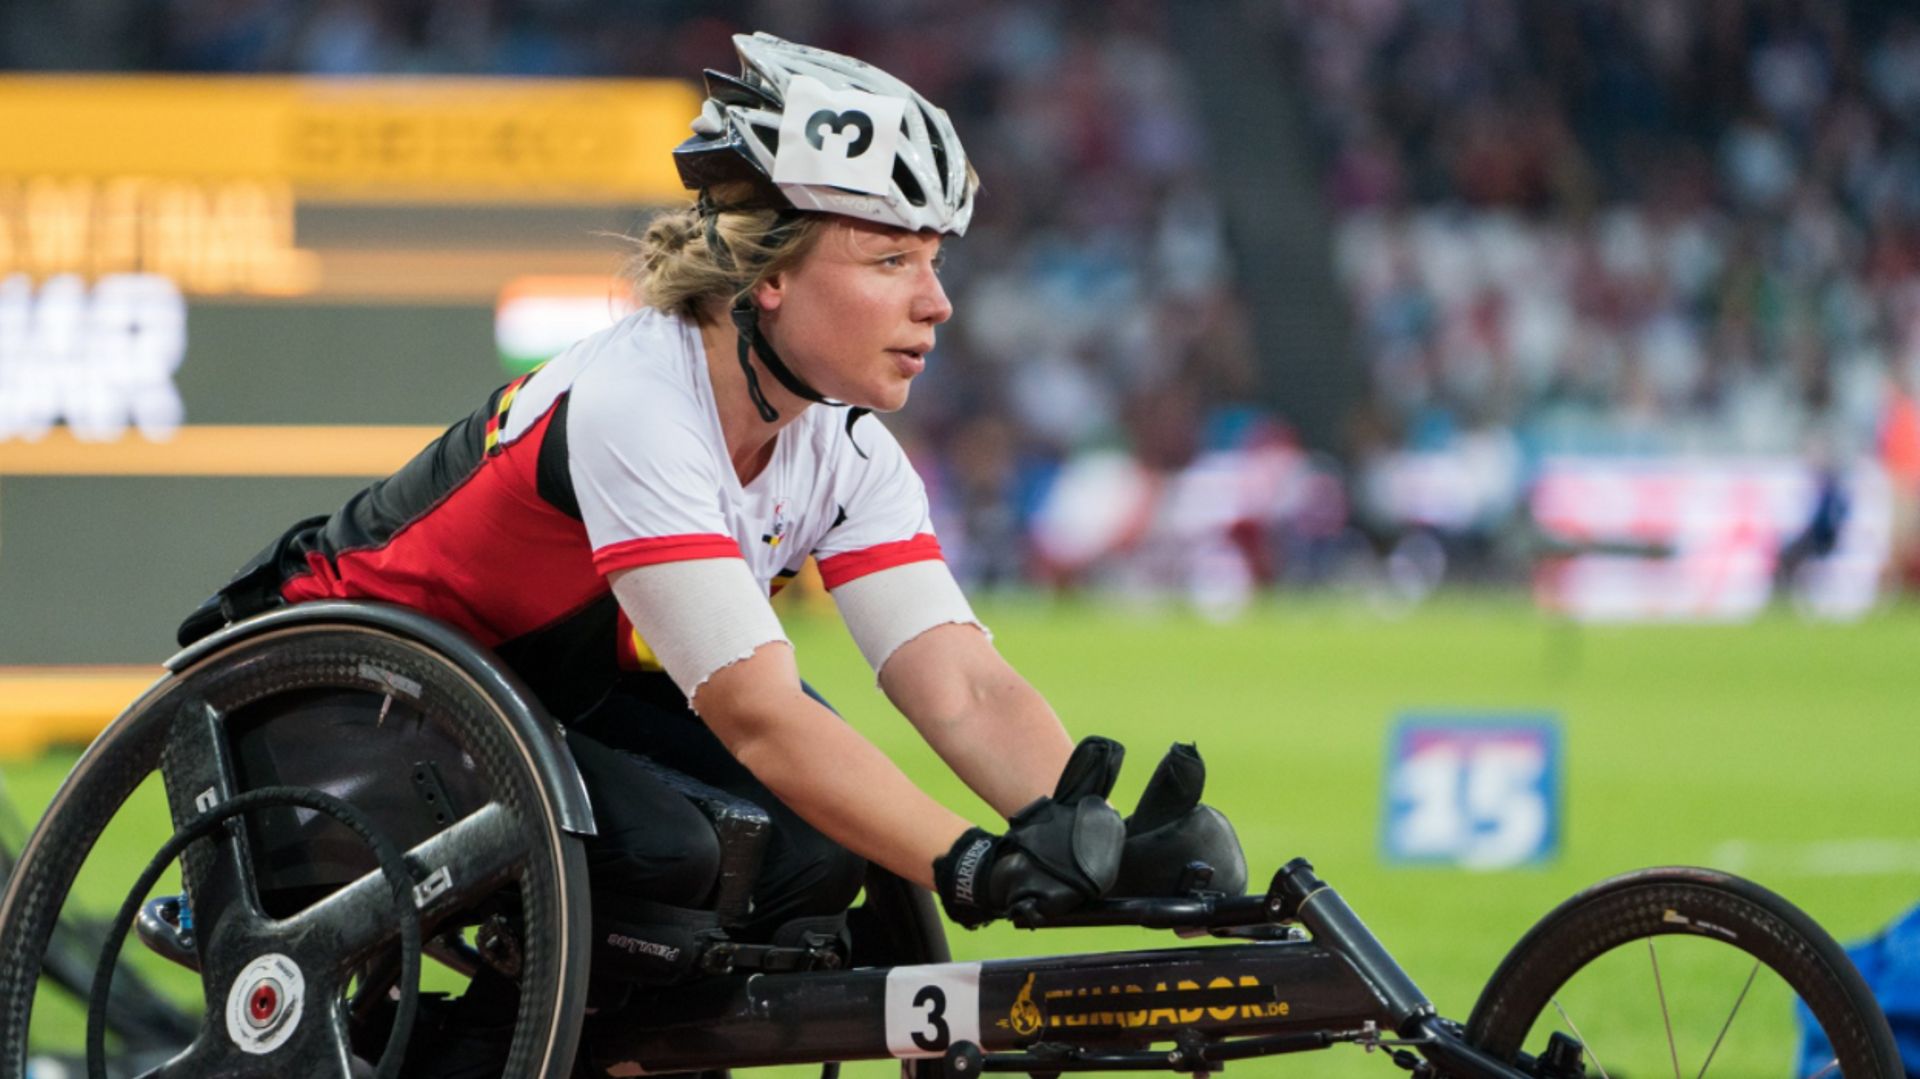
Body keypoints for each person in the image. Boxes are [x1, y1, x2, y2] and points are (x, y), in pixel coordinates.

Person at [181, 31, 1242, 1073]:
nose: (936, 300)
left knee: (816, 855)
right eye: (890, 260)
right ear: (770, 275)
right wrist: (970, 865)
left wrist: (1089, 835)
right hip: (326, 700)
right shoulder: (639, 401)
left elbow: (959, 681)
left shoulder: (842, 443)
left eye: (933, 259)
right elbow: (758, 712)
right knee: (669, 853)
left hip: (531, 691)